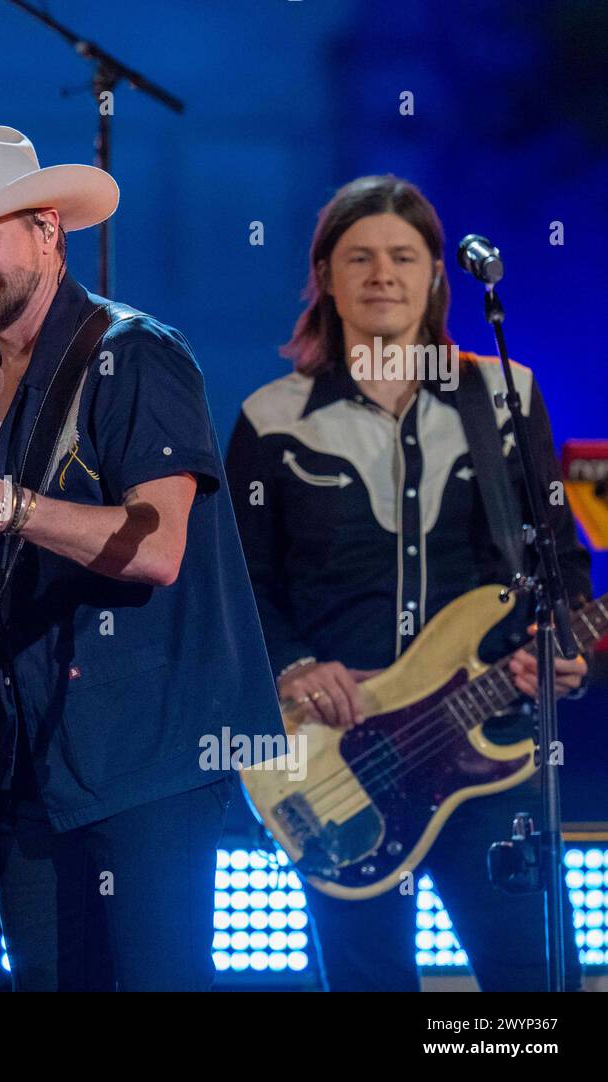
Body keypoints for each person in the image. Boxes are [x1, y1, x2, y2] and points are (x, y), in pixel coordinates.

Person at [0, 125, 282, 991]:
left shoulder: (136, 354)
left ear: (49, 232)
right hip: (26, 768)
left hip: (145, 764)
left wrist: (15, 507)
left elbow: (158, 546)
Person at [224, 174, 591, 991]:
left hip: (487, 747)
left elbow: (557, 556)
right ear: (325, 277)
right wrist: (293, 666)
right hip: (338, 755)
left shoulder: (504, 394)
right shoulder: (271, 418)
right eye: (359, 257)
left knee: (535, 989)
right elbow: (237, 585)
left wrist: (561, 639)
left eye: (403, 256)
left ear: (435, 275)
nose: (382, 274)